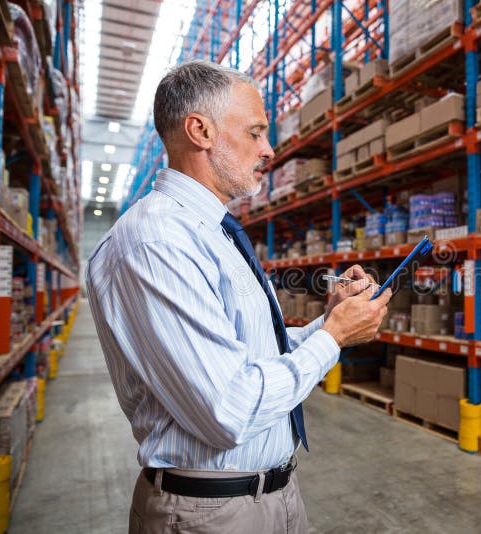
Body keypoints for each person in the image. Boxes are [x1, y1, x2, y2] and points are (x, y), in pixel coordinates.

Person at [86, 60, 391, 533]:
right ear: (200, 131)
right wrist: (332, 339)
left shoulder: (215, 234)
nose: (268, 149)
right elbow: (228, 408)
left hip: (275, 493)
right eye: (255, 132)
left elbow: (251, 359)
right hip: (210, 513)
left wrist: (330, 323)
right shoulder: (158, 242)